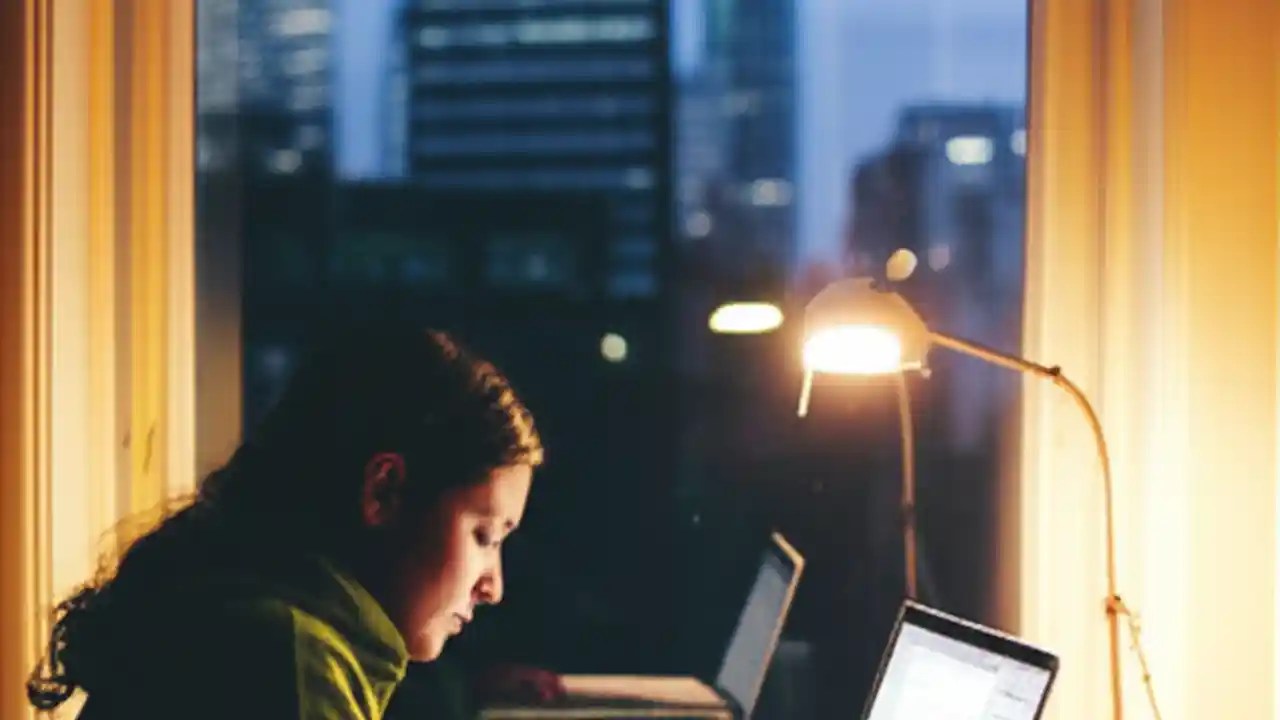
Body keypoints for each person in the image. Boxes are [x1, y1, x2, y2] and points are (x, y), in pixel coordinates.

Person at [26, 326, 544, 720]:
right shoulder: (287, 661)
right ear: (383, 491)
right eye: (484, 535)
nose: (492, 586)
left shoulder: (244, 616)